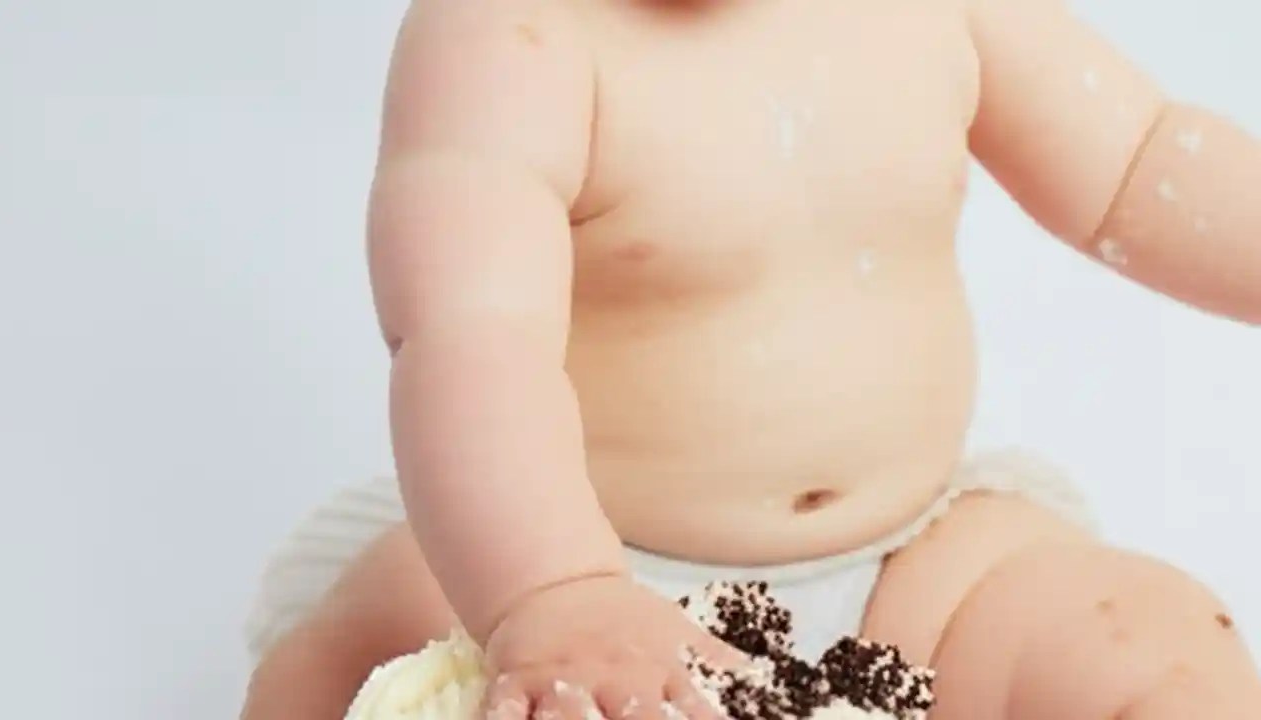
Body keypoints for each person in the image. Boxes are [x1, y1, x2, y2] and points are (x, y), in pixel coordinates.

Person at [239, 0, 1261, 717]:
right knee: (354, 651)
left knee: (1148, 645)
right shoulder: (510, 39)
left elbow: (1137, 166)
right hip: (585, 558)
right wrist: (551, 597)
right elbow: (471, 338)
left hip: (922, 565)